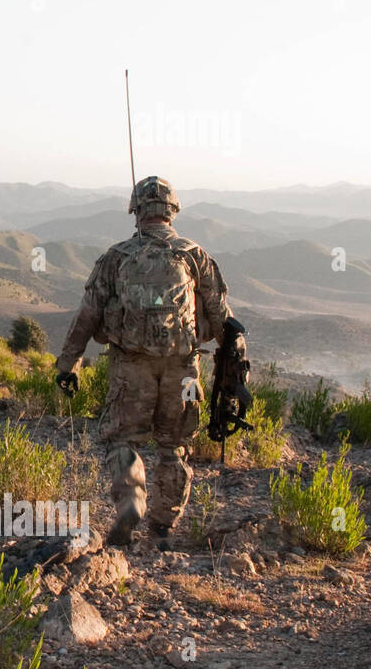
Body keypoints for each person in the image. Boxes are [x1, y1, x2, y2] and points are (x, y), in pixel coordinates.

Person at [54, 176, 237, 551]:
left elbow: (88, 314)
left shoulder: (116, 257)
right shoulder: (194, 255)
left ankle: (131, 500)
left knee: (122, 438)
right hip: (183, 369)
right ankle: (164, 524)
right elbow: (221, 317)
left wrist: (67, 363)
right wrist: (232, 369)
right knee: (174, 447)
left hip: (130, 367)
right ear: (172, 210)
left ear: (136, 210)